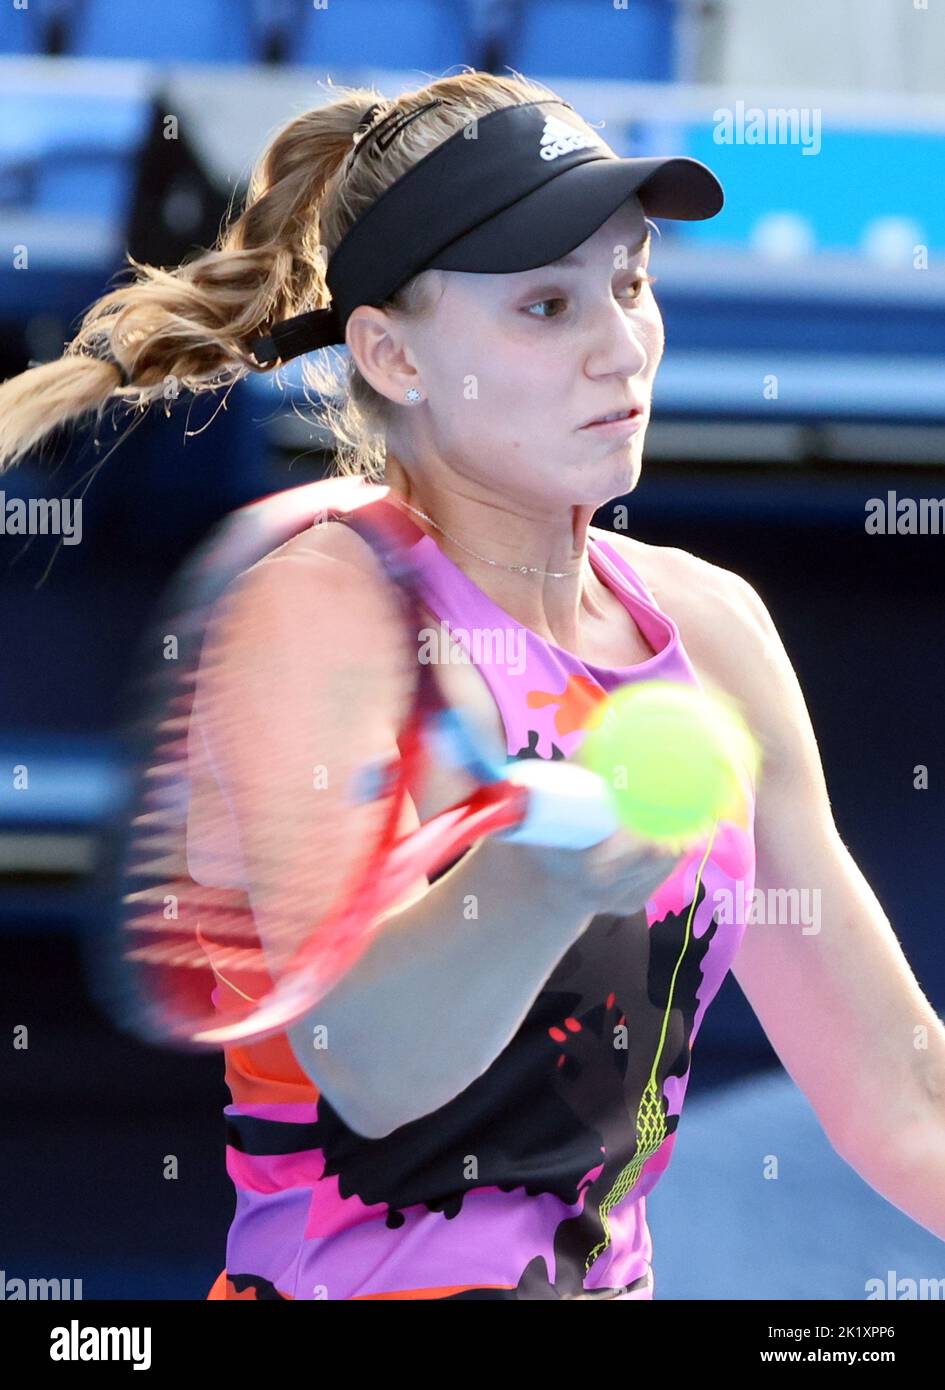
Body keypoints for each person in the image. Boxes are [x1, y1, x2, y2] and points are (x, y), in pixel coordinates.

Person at [2, 69, 941, 1302]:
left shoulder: (715, 630)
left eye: (631, 280)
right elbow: (370, 1063)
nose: (621, 343)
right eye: (547, 305)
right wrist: (539, 876)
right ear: (391, 356)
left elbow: (904, 1093)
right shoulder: (322, 616)